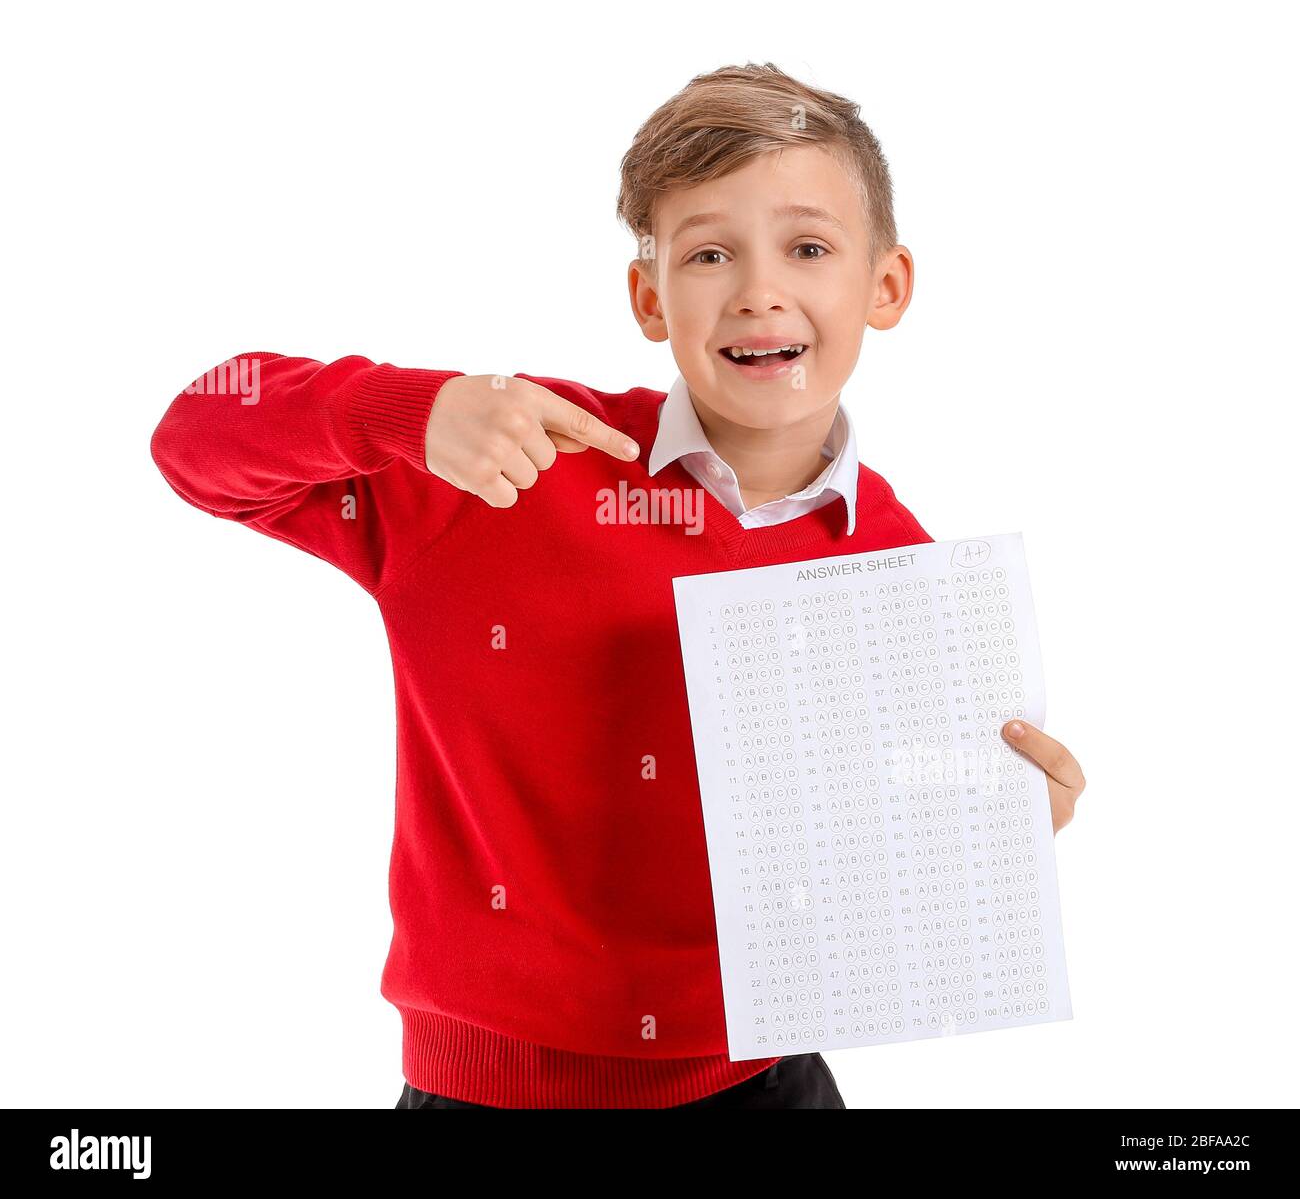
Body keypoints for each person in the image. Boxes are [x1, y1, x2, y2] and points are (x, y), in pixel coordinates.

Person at [150, 61, 1085, 1109]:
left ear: (885, 287)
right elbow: (194, 434)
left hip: (766, 1088)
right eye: (708, 254)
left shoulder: (899, 566)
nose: (758, 290)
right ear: (649, 297)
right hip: (482, 1093)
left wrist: (991, 822)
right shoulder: (506, 453)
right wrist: (403, 412)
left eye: (808, 247)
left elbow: (869, 874)